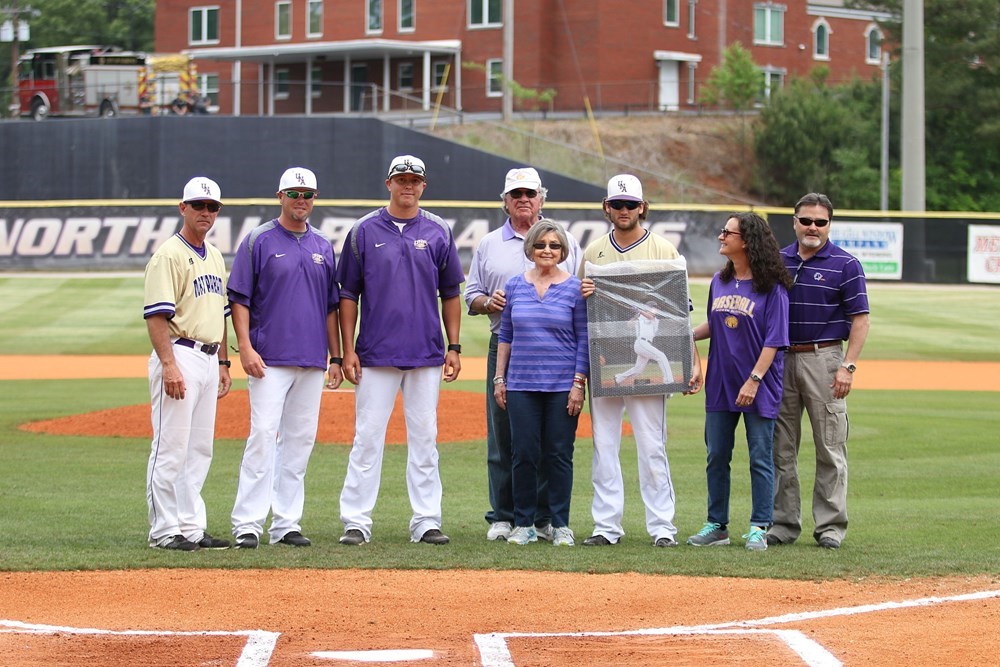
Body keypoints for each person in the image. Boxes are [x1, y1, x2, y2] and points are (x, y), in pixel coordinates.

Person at [337, 155, 464, 546]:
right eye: (401, 179)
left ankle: (426, 520)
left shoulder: (439, 230)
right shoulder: (362, 231)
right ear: (388, 183)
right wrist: (347, 349)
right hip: (375, 353)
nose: (407, 185)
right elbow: (347, 294)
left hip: (426, 353)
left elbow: (451, 292)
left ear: (423, 186)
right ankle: (356, 520)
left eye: (414, 180)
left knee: (425, 438)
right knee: (367, 438)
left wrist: (454, 345)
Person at [579, 174, 702, 548]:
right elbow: (580, 307)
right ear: (606, 208)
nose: (624, 210)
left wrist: (694, 362)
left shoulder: (664, 250)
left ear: (642, 207)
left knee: (651, 444)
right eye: (617, 204)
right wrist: (582, 291)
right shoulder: (593, 251)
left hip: (645, 343)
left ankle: (662, 526)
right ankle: (606, 526)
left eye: (631, 204)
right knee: (604, 445)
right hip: (605, 357)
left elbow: (681, 311)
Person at [464, 166, 582, 542]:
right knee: (506, 438)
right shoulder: (489, 244)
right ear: (505, 201)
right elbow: (472, 295)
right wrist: (488, 302)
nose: (523, 200)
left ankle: (545, 518)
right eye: (516, 194)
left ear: (541, 198)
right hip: (507, 344)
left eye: (530, 193)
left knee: (552, 443)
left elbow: (579, 295)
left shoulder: (567, 241)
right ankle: (504, 514)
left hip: (559, 353)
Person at [227, 167, 342, 549]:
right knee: (262, 436)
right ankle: (248, 522)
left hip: (310, 359)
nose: (301, 200)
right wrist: (244, 346)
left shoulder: (323, 246)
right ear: (280, 196)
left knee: (299, 441)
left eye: (308, 194)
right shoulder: (259, 239)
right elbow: (239, 297)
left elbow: (330, 308)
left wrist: (335, 356)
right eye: (294, 193)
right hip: (269, 357)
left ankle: (286, 522)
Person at [770, 193, 871, 549]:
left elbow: (860, 319)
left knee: (830, 445)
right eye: (806, 220)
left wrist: (848, 366)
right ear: (794, 221)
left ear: (830, 224)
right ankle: (783, 523)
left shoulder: (846, 264)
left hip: (824, 359)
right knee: (781, 447)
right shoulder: (777, 259)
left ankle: (830, 526)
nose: (813, 227)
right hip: (781, 360)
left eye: (821, 222)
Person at [688, 212, 791, 552]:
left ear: (746, 241)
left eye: (726, 232)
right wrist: (685, 335)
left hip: (758, 384)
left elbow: (774, 341)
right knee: (716, 454)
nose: (721, 236)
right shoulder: (719, 280)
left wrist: (754, 380)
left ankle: (759, 525)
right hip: (720, 380)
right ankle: (717, 525)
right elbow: (714, 324)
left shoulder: (772, 288)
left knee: (760, 457)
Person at [143, 176, 232, 551]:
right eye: (199, 206)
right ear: (183, 208)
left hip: (210, 359)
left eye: (212, 207)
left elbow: (220, 313)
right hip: (179, 353)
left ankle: (190, 526)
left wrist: (225, 362)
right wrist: (169, 364)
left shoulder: (213, 255)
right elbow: (156, 316)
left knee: (199, 449)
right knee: (170, 447)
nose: (206, 213)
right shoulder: (168, 255)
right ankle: (164, 530)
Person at [494, 220, 589, 547]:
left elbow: (583, 338)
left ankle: (560, 523)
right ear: (531, 248)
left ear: (563, 251)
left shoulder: (575, 288)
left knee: (559, 454)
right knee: (524, 453)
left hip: (562, 384)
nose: (547, 250)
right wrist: (499, 378)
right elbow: (506, 334)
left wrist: (579, 383)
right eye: (541, 245)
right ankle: (524, 524)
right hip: (521, 384)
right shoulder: (515, 285)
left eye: (554, 246)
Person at [614, 301, 675, 386]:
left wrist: (639, 311)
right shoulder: (640, 316)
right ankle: (669, 381)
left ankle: (619, 378)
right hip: (641, 343)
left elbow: (650, 317)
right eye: (654, 308)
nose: (656, 310)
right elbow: (629, 324)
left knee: (638, 370)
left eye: (657, 308)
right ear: (648, 308)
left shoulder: (654, 319)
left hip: (646, 344)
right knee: (661, 356)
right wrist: (637, 315)